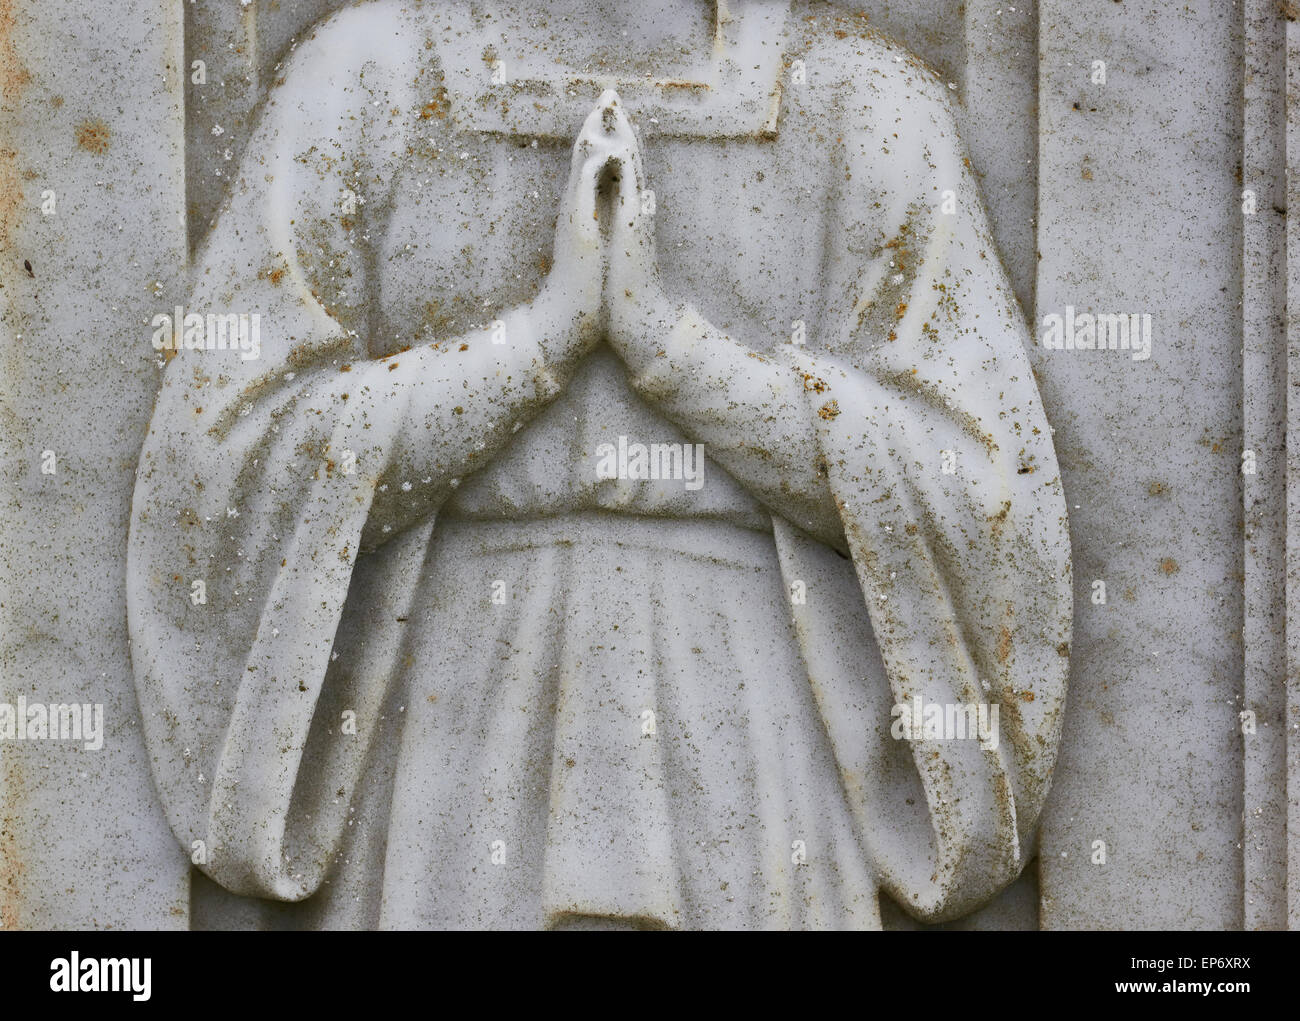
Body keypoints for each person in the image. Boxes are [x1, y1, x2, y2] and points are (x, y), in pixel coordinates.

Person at [128, 0, 1071, 929]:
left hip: (754, 731)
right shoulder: (367, 80)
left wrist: (675, 353)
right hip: (451, 723)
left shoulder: (855, 100)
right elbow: (221, 470)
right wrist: (535, 346)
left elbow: (980, 493)